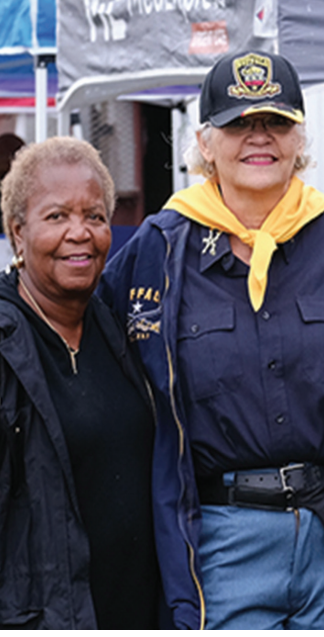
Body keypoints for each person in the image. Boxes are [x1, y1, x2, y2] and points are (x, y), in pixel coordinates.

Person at [98, 50, 324, 630]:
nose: (259, 137)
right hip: (222, 543)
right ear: (205, 143)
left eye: (276, 122)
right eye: (239, 123)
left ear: (299, 139)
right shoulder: (158, 250)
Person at [0, 137, 157, 629]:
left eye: (94, 216)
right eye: (56, 216)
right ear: (17, 233)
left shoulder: (119, 329)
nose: (79, 233)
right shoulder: (6, 342)